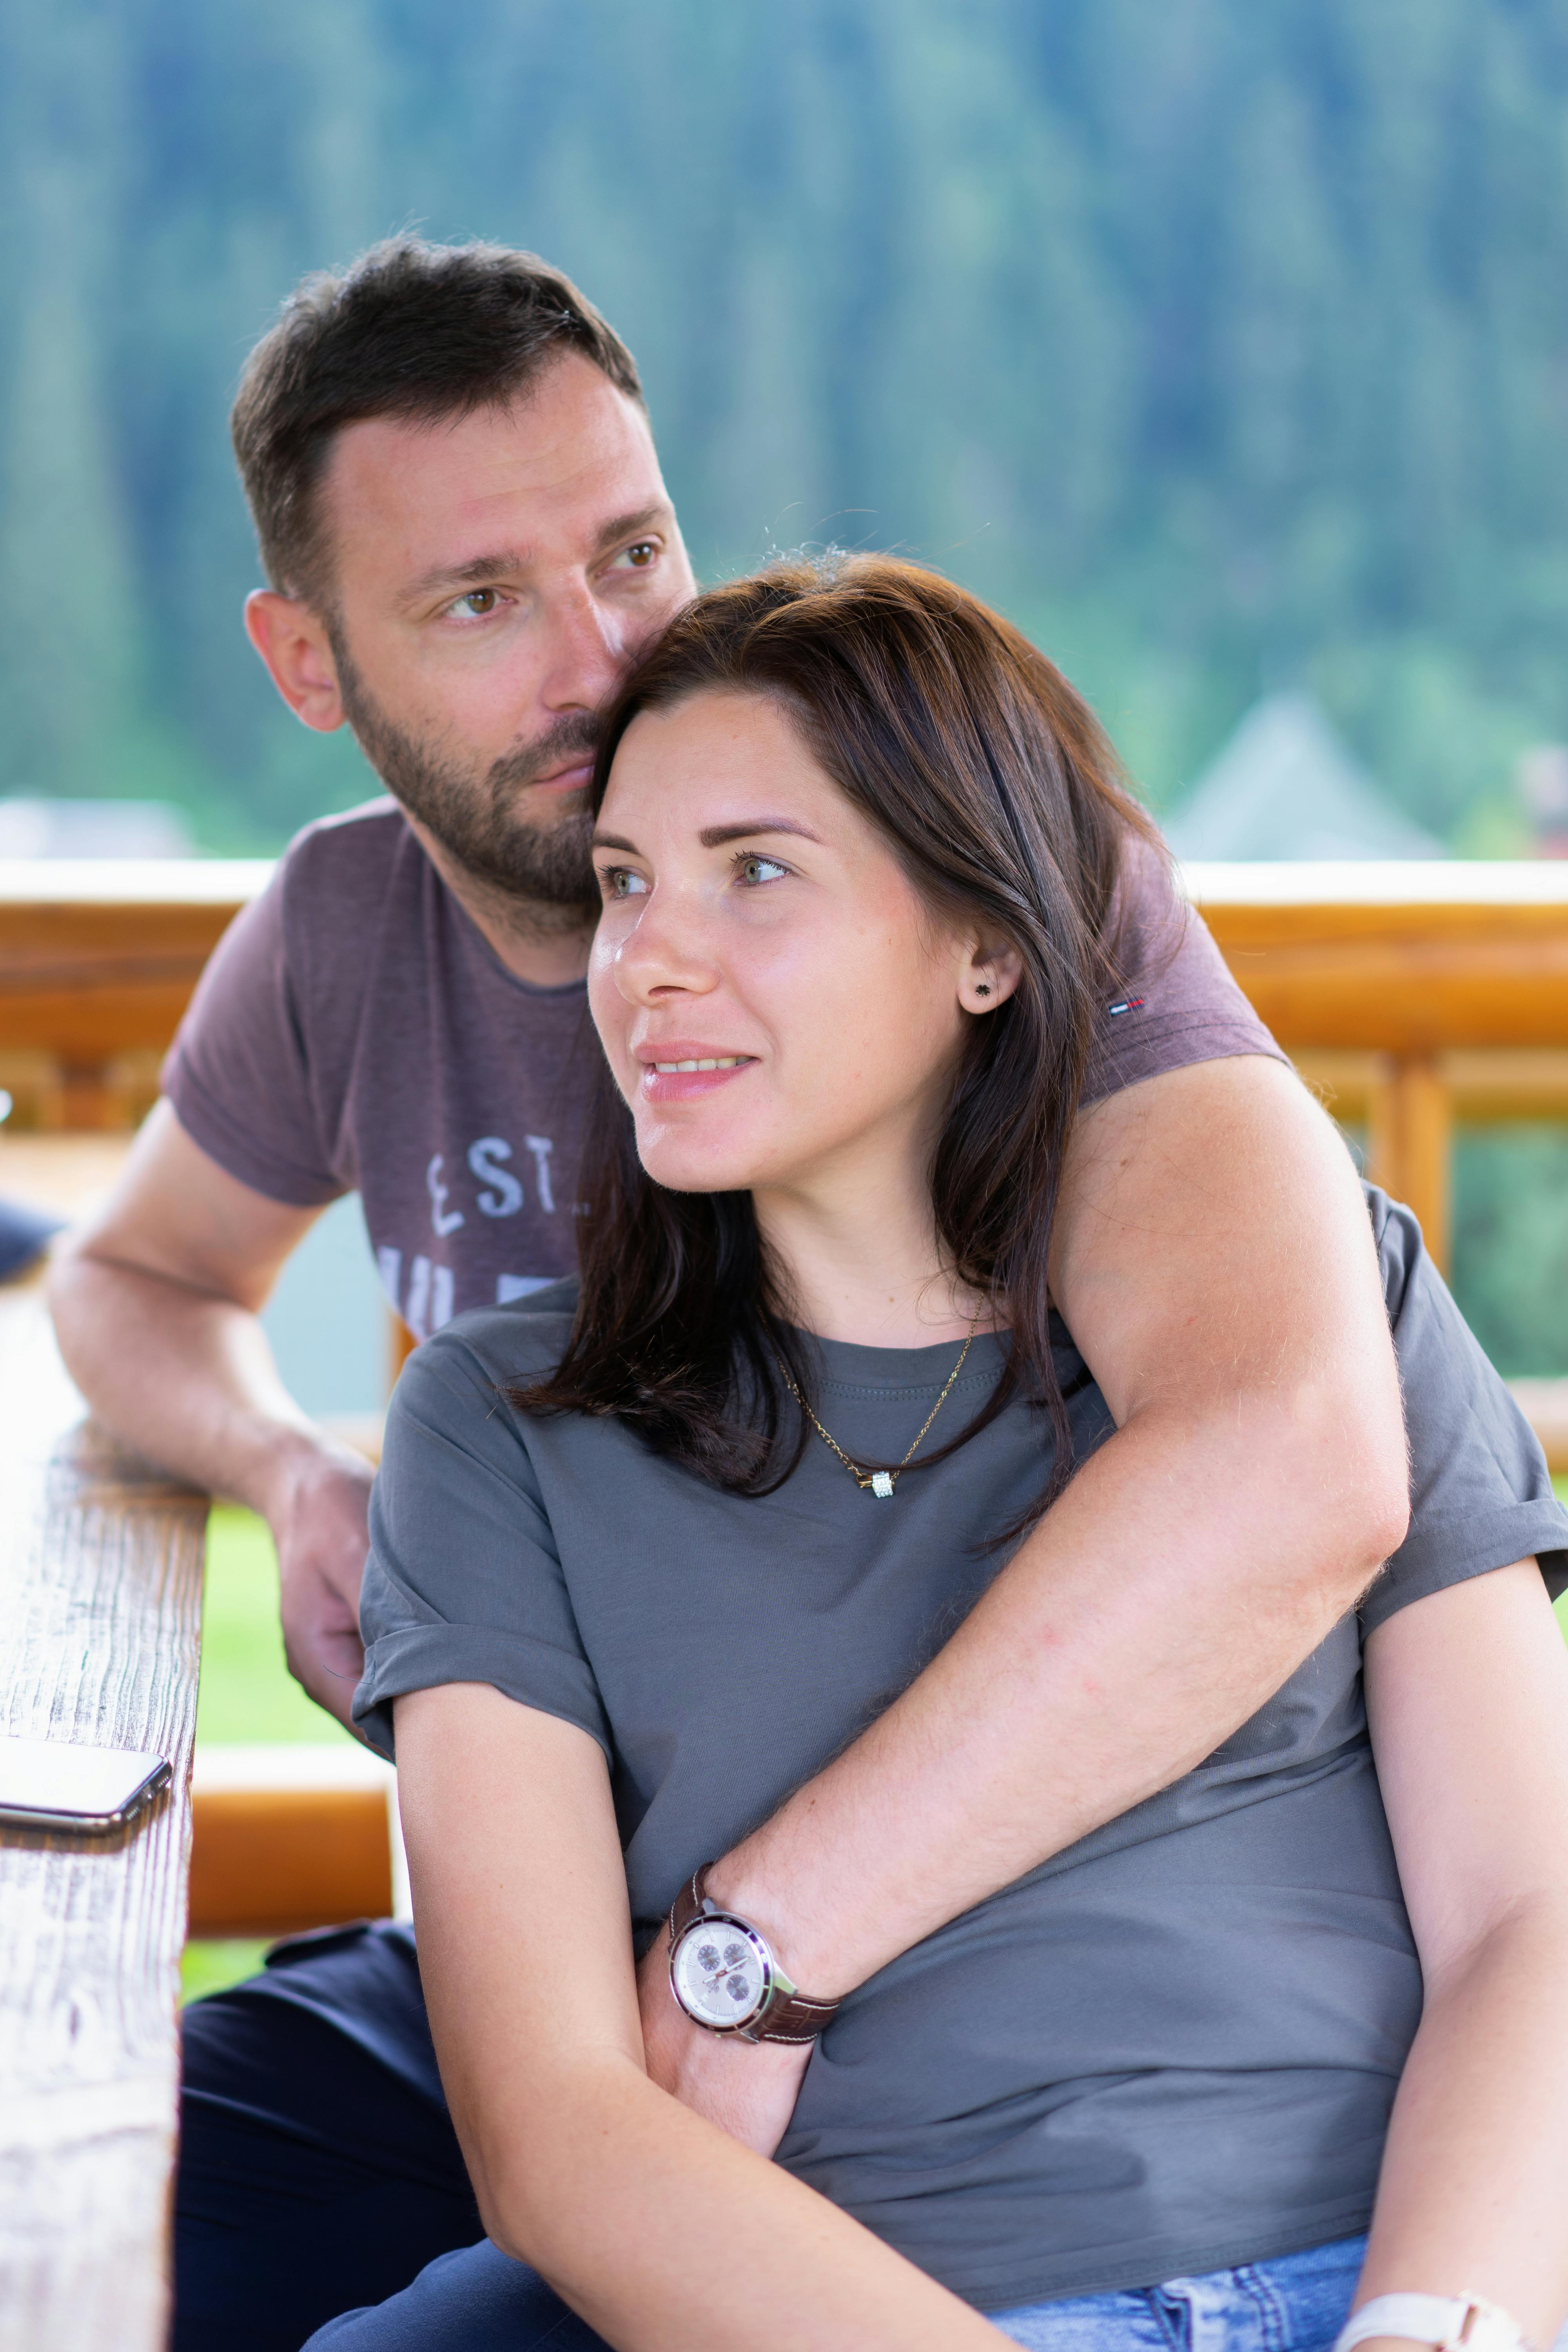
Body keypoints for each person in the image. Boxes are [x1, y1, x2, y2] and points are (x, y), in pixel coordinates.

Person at [45, 241, 1411, 2343]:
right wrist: (287, 1470)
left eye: (630, 549)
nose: (598, 659)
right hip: (525, 1974)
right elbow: (135, 1279)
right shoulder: (338, 940)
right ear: (308, 664)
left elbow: (1304, 1450)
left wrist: (761, 1947)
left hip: (951, 1958)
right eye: (479, 603)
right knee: (77, 2222)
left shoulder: (1019, 898)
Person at [310, 555, 1568, 2348]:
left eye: (755, 873)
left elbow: (1533, 1917)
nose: (650, 957)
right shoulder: (510, 1428)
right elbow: (558, 2140)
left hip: (1409, 2278)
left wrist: (1438, 2329)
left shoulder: (1318, 1302)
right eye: (622, 885)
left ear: (988, 941)